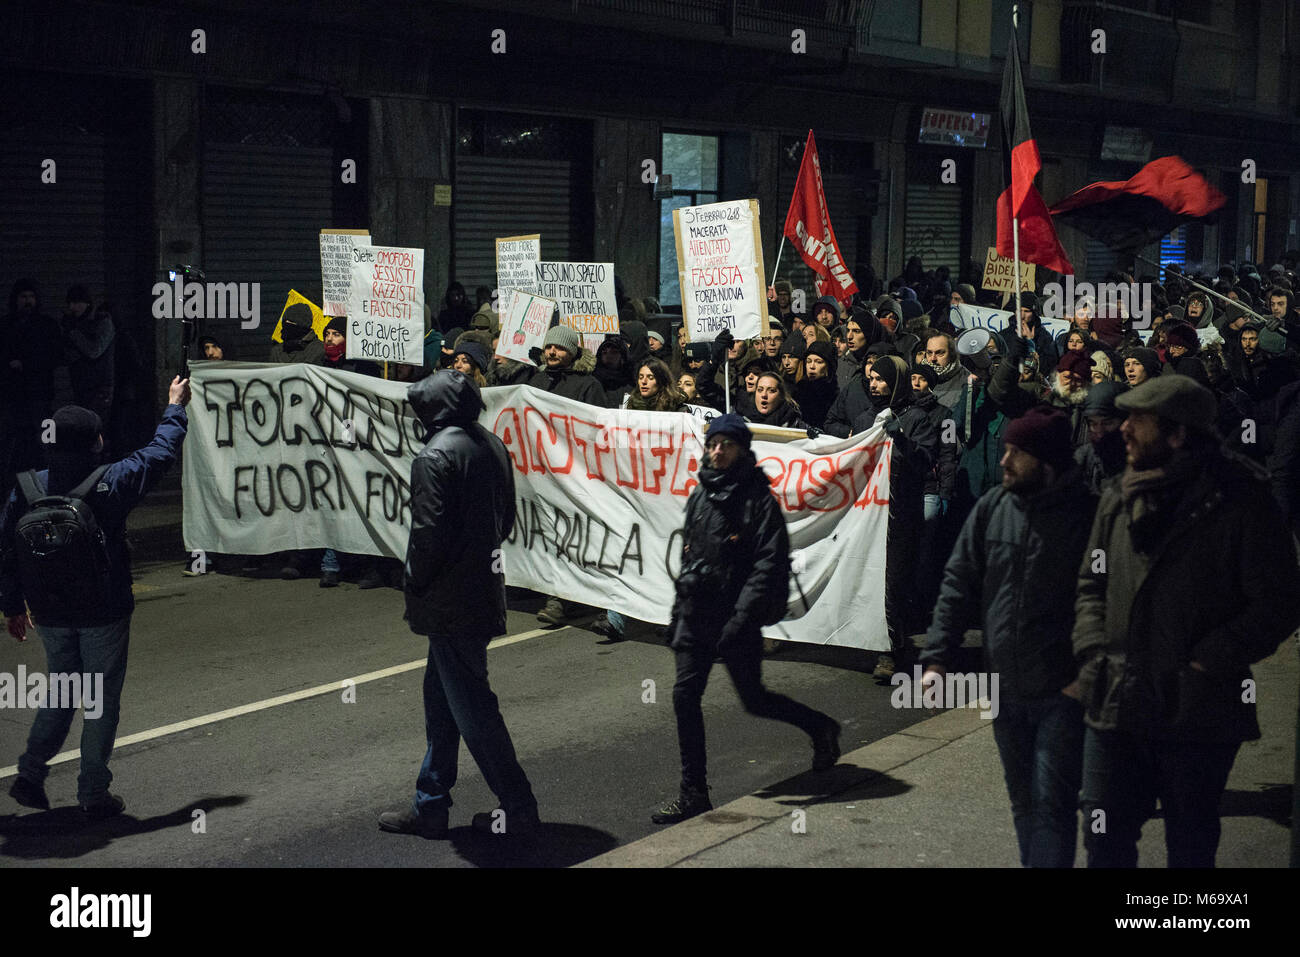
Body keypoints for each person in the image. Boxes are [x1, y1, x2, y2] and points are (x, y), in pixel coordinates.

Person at [1072, 376, 1300, 867]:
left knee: (1190, 843)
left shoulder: (1242, 500)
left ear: (1177, 434)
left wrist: (1211, 656)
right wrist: (1092, 646)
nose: (1124, 430)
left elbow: (1279, 601)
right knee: (1104, 837)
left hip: (1199, 709)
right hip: (1116, 700)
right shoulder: (1118, 494)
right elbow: (1092, 579)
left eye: (1138, 421)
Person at [3, 378, 191, 816]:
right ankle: (92, 792)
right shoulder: (111, 482)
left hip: (48, 611)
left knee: (63, 688)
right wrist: (174, 406)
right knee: (99, 699)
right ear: (94, 442)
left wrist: (12, 605)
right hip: (102, 609)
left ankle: (31, 771)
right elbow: (160, 454)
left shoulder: (28, 488)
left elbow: (6, 549)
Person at [922, 406, 1097, 867]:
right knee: (1024, 803)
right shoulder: (994, 507)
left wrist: (1086, 675)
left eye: (1017, 453)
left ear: (1047, 460)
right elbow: (958, 581)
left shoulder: (1088, 516)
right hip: (1003, 686)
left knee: (1052, 805)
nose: (1004, 462)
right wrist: (938, 655)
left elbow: (1111, 601)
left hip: (1063, 689)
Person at [652, 414, 841, 824]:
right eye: (713, 444)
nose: (717, 452)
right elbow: (690, 555)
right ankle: (694, 792)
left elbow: (768, 564)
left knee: (755, 700)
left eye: (727, 445)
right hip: (695, 613)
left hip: (734, 616)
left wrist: (740, 618)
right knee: (684, 697)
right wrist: (675, 613)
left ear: (742, 450)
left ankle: (821, 728)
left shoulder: (758, 498)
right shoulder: (701, 492)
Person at [381, 369, 540, 839]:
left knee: (471, 707)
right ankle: (430, 802)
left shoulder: (434, 456)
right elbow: (506, 518)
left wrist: (414, 578)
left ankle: (518, 805)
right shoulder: (492, 444)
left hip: (450, 601)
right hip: (482, 591)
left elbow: (427, 535)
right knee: (442, 700)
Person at [851, 356, 937, 677]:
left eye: (881, 379)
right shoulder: (863, 420)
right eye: (870, 378)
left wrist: (900, 437)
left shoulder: (916, 419)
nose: (873, 384)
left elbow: (926, 460)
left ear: (896, 382)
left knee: (893, 583)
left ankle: (891, 651)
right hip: (866, 514)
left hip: (900, 515)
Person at [527, 325, 607, 408]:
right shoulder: (536, 380)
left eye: (559, 348)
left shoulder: (589, 385)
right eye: (548, 347)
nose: (552, 352)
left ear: (571, 353)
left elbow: (598, 419)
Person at [793, 341, 838, 431]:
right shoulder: (798, 390)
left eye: (818, 362)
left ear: (828, 365)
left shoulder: (835, 393)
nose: (812, 366)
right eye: (808, 361)